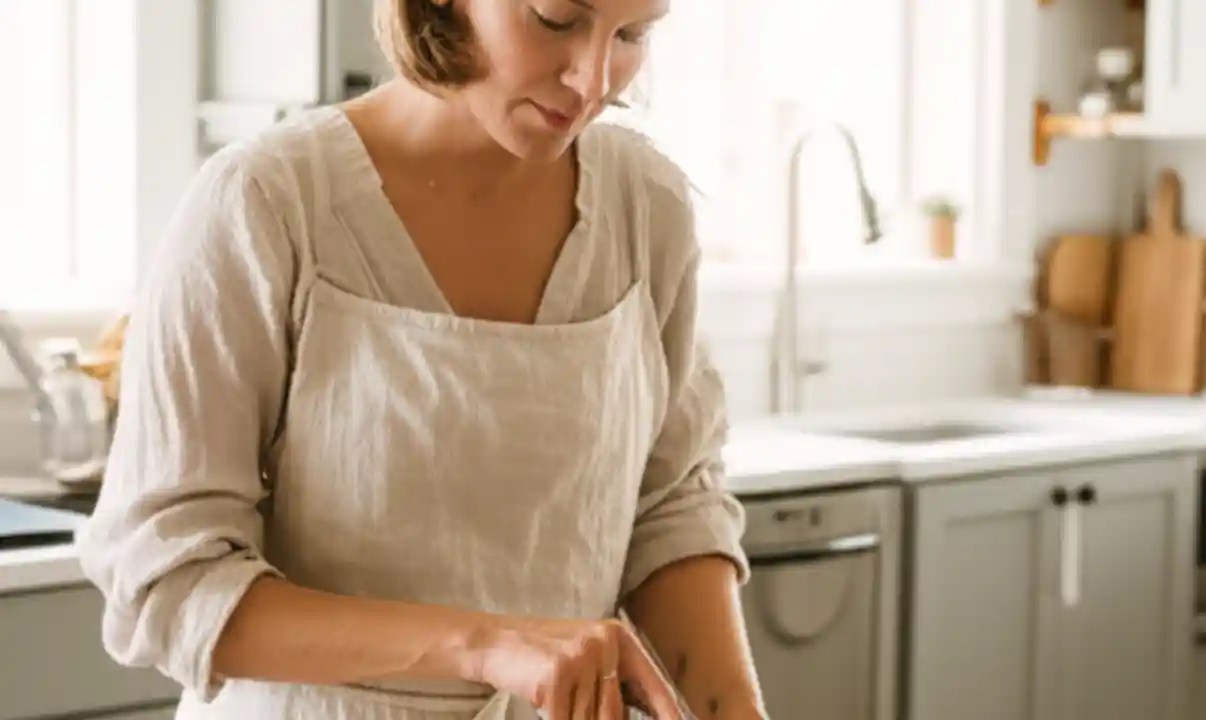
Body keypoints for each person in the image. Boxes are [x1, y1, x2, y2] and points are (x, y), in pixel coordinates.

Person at [77, 0, 763, 718]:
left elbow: (672, 508)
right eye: (556, 19)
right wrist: (485, 644)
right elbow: (170, 582)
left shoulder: (643, 204)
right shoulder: (267, 202)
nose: (592, 79)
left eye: (631, 35)